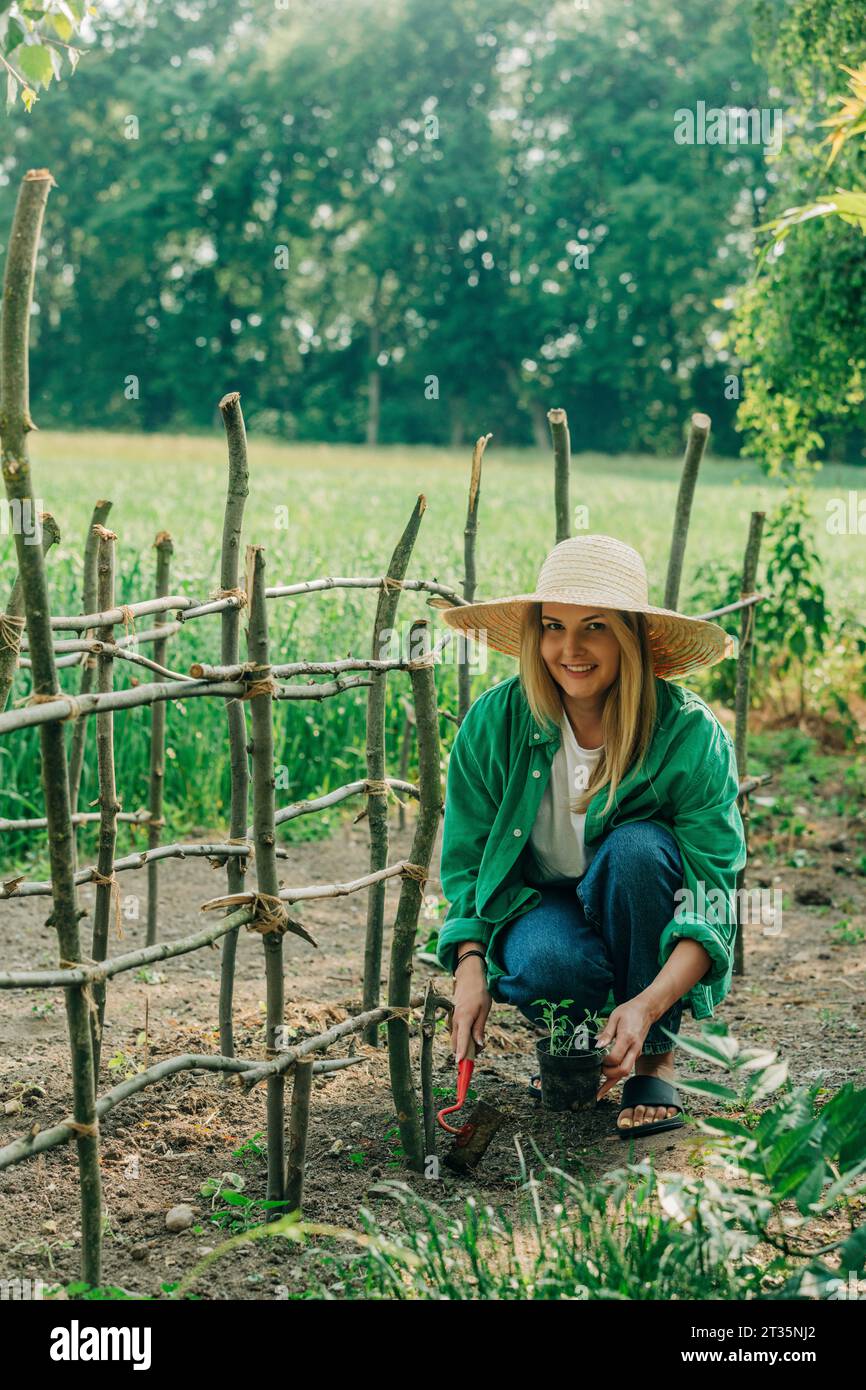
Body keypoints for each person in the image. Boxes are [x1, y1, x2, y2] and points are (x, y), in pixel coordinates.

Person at [433, 533, 747, 1138]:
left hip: (640, 894)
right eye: (553, 626)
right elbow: (468, 863)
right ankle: (580, 1047)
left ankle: (651, 1054)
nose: (569, 649)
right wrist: (469, 964)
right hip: (541, 900)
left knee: (635, 852)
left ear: (631, 637)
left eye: (595, 627)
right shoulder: (494, 723)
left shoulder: (688, 735)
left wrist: (648, 1004)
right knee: (545, 962)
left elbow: (711, 900)